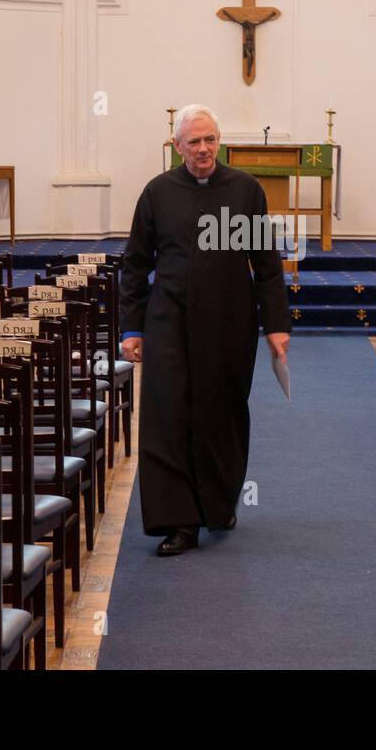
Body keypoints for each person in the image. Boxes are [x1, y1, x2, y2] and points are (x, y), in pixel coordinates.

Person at [120, 104, 291, 556]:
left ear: (220, 142)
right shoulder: (156, 193)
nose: (203, 149)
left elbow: (267, 265)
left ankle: (219, 502)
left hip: (229, 324)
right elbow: (136, 265)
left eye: (210, 139)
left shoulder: (246, 191)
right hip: (168, 322)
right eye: (194, 141)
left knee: (222, 413)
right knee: (168, 416)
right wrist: (131, 328)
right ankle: (180, 522)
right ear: (177, 147)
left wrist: (276, 324)